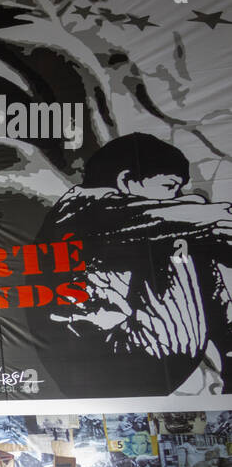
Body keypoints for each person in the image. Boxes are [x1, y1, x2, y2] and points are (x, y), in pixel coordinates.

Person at [31, 133, 232, 397]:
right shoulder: (80, 205)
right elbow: (178, 215)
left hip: (152, 357)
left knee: (185, 242)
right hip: (101, 355)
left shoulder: (149, 228)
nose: (178, 196)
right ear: (125, 180)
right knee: (179, 239)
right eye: (170, 186)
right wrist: (207, 214)